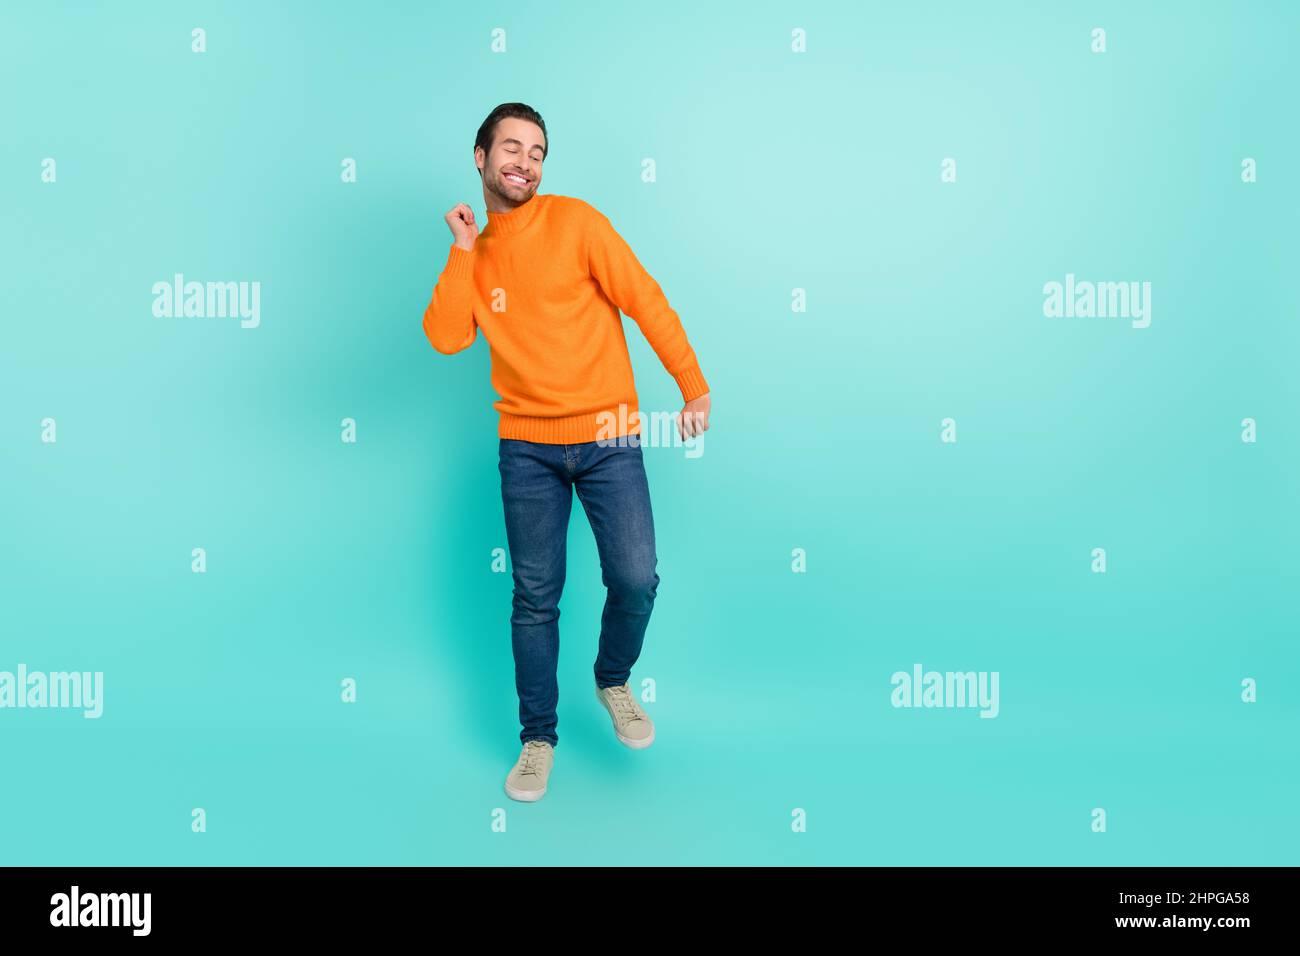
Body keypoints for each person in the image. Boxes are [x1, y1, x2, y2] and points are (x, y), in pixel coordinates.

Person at [422, 103, 712, 802]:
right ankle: (537, 738)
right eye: (512, 148)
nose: (525, 161)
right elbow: (445, 336)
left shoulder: (577, 222)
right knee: (534, 599)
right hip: (526, 448)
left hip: (610, 435)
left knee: (636, 578)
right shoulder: (478, 253)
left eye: (538, 151)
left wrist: (692, 385)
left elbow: (643, 297)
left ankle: (612, 678)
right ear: (480, 157)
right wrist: (464, 249)